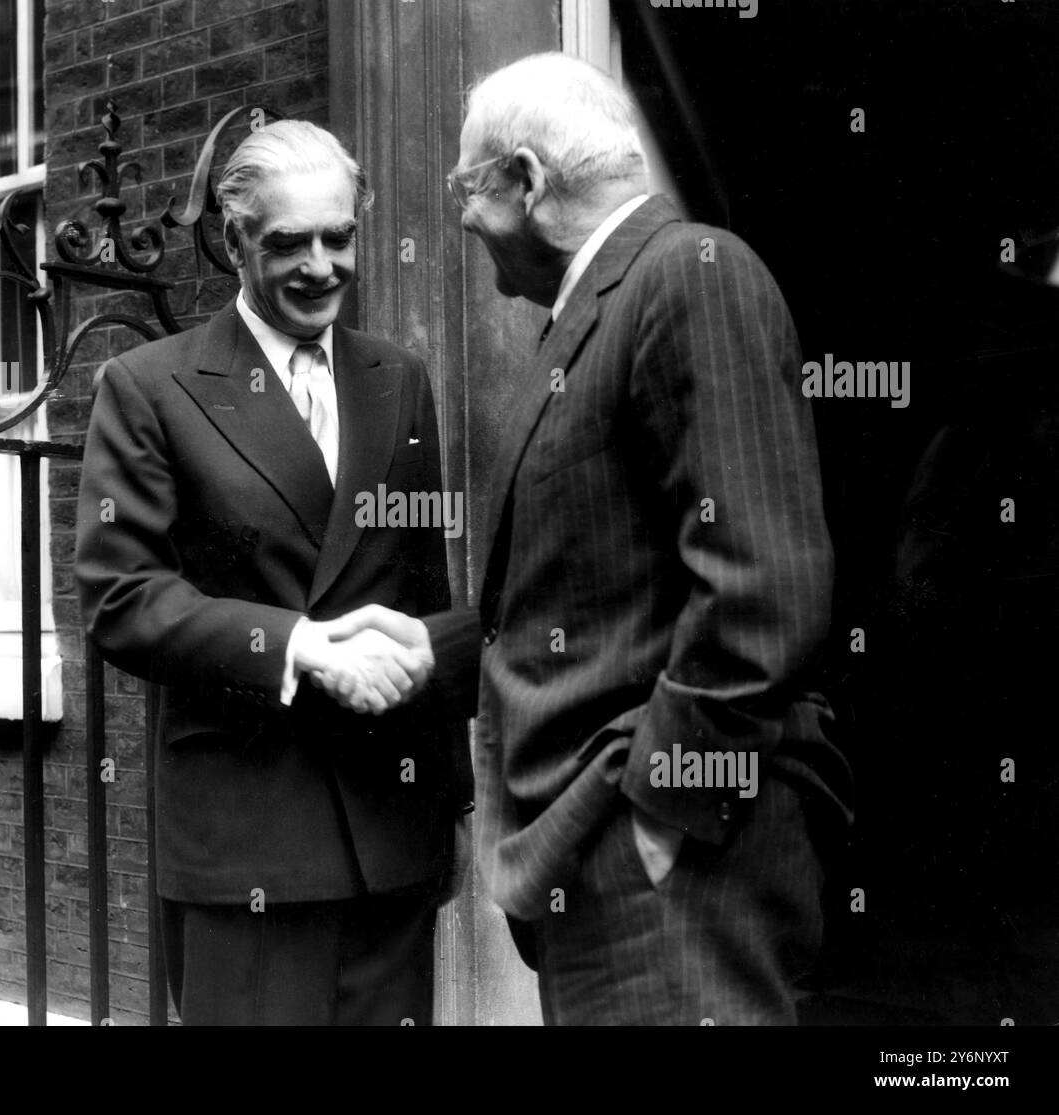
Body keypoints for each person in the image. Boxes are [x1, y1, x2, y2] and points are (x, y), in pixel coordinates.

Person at [334, 52, 851, 1025]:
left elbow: (764, 588)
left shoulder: (693, 275)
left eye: (466, 186)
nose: (458, 218)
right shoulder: (607, 304)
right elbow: (599, 587)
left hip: (675, 854)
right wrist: (437, 648)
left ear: (528, 180)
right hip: (613, 853)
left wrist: (657, 815)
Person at [74, 120, 475, 1026]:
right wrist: (298, 647)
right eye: (289, 242)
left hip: (391, 831)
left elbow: (424, 588)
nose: (322, 265)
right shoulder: (149, 386)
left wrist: (452, 796)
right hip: (246, 844)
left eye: (340, 236)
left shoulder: (397, 379)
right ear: (233, 239)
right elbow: (119, 596)